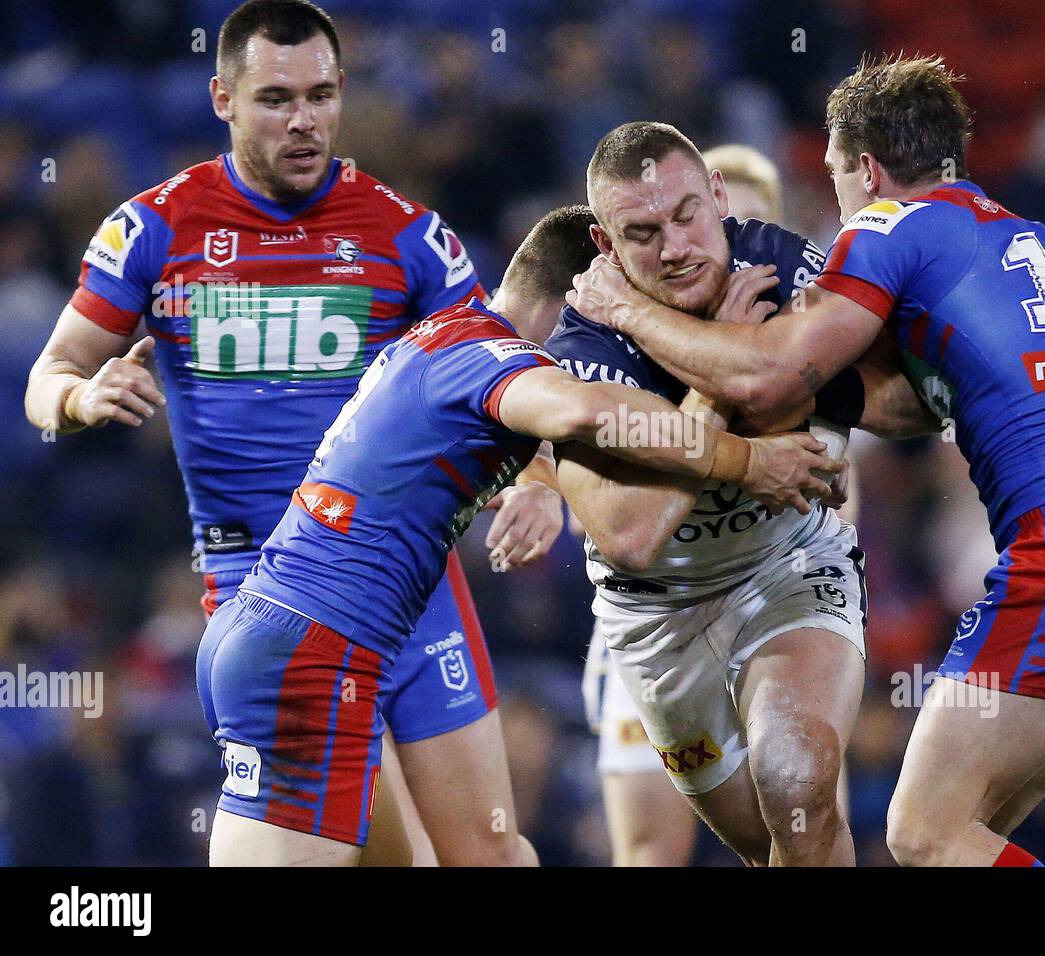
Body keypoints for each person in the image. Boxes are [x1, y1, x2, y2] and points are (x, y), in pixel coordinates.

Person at [567, 55, 1045, 867]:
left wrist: (627, 308)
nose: (836, 206)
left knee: (921, 834)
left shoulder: (888, 225)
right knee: (972, 836)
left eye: (834, 176)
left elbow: (767, 373)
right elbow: (908, 398)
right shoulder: (1015, 232)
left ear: (864, 169)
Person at [23, 0, 560, 866]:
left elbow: (507, 381)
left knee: (488, 853)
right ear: (222, 98)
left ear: (343, 90)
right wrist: (83, 399)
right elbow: (46, 379)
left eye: (319, 95)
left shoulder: (407, 237)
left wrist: (535, 482)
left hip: (409, 587)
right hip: (264, 596)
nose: (302, 120)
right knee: (360, 856)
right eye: (275, 99)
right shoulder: (155, 228)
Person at [197, 204, 841, 865]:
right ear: (579, 300)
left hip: (289, 632)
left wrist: (537, 483)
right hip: (311, 652)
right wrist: (744, 454)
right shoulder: (496, 359)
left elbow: (479, 436)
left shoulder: (444, 339)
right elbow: (590, 409)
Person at [552, 122, 933, 866]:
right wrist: (727, 383)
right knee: (765, 845)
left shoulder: (787, 267)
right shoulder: (585, 346)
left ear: (718, 195)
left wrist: (807, 388)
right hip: (656, 617)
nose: (675, 248)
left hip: (785, 568)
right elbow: (631, 531)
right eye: (642, 232)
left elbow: (913, 403)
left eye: (688, 214)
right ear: (605, 247)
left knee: (796, 788)